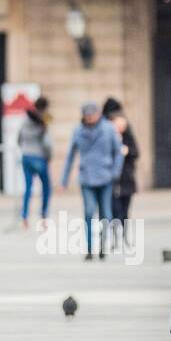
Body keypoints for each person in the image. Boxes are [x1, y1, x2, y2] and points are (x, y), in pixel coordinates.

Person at [61, 101, 123, 261]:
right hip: (87, 177)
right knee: (89, 212)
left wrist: (115, 172)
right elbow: (70, 156)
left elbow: (118, 152)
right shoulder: (78, 131)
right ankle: (89, 249)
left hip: (106, 176)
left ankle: (103, 246)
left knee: (106, 214)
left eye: (92, 115)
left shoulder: (109, 129)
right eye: (87, 116)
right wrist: (64, 179)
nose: (89, 118)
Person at [104, 97, 139, 250]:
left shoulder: (128, 137)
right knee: (113, 210)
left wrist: (127, 151)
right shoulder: (109, 138)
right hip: (112, 179)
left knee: (125, 211)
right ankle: (112, 237)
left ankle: (124, 237)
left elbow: (136, 152)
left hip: (127, 179)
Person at [18, 96, 53, 229]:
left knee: (28, 188)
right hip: (39, 157)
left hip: (26, 156)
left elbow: (19, 138)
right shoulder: (43, 122)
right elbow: (46, 142)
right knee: (46, 188)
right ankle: (44, 216)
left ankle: (25, 216)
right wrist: (49, 155)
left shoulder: (25, 121)